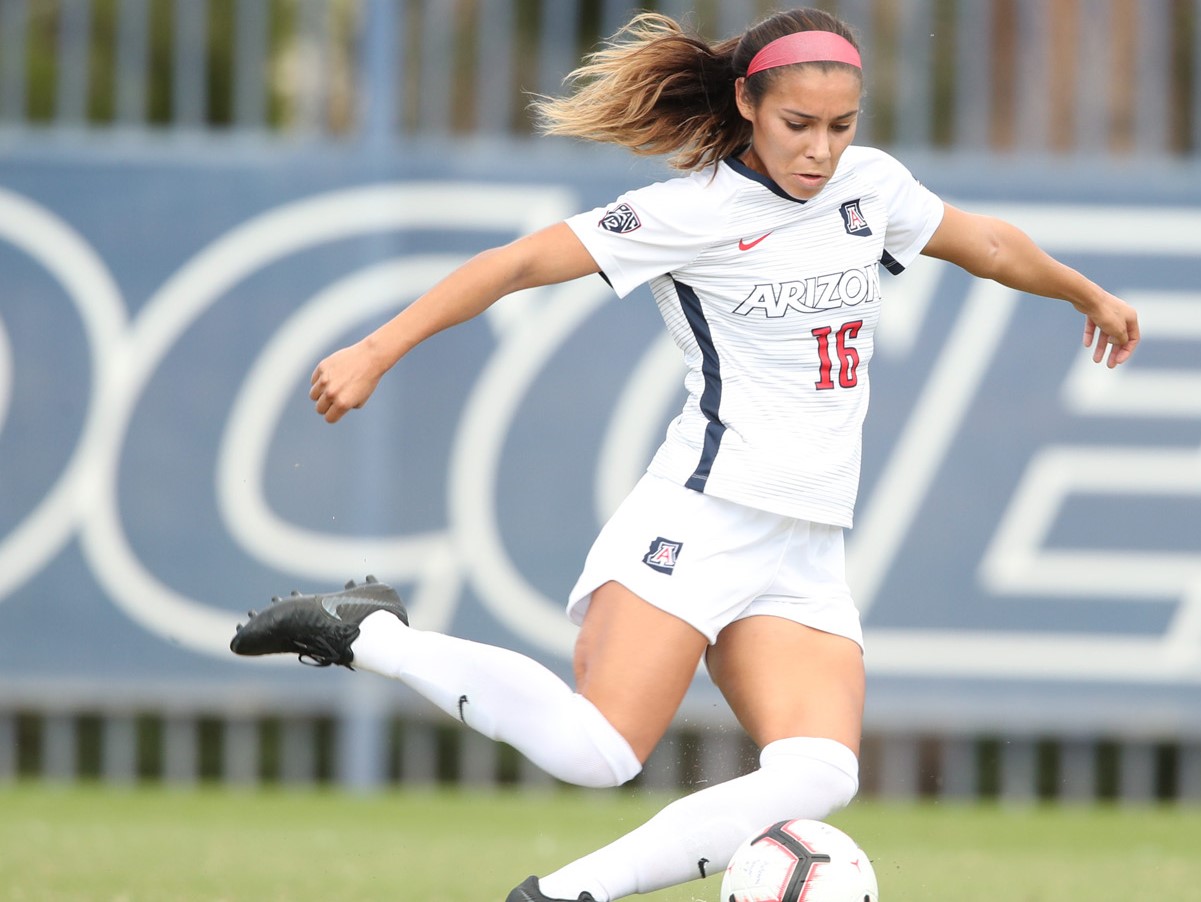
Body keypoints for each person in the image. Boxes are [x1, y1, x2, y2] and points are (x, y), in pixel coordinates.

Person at [229, 8, 1138, 901]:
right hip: (704, 514)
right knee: (599, 752)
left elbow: (985, 242)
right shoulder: (689, 211)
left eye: (840, 126)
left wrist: (1083, 293)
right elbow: (513, 264)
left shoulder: (873, 189)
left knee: (822, 772)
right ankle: (369, 632)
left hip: (807, 539)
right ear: (747, 103)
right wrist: (376, 350)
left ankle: (562, 896)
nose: (820, 149)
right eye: (798, 125)